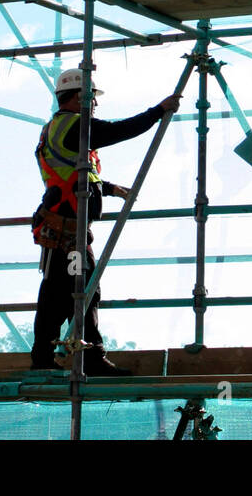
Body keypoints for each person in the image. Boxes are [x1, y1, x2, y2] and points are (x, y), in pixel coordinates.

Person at [30, 67, 181, 374]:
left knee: (63, 293)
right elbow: (117, 131)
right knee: (81, 291)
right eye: (91, 98)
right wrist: (158, 111)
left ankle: (48, 359)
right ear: (77, 97)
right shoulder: (74, 126)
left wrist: (109, 189)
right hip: (67, 231)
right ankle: (88, 358)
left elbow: (73, 173)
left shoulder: (57, 128)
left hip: (64, 227)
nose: (95, 104)